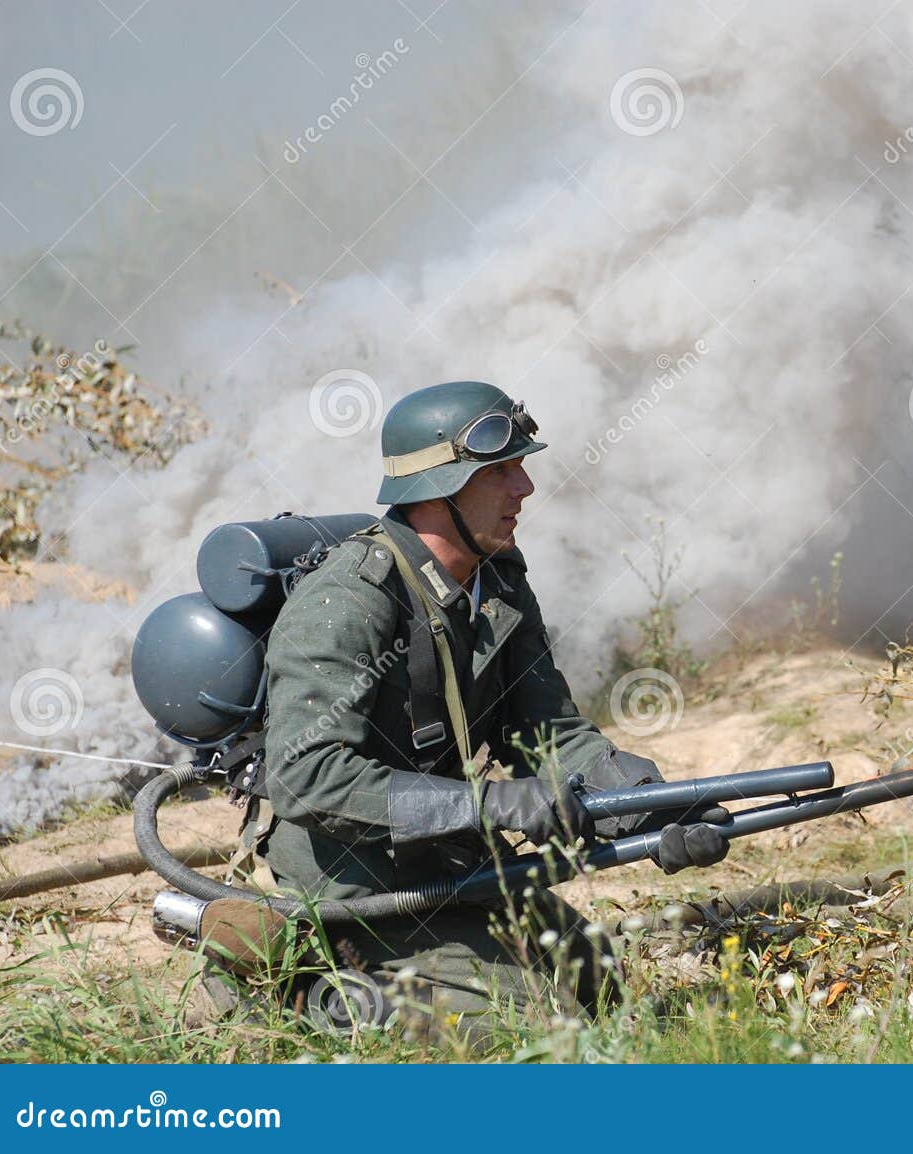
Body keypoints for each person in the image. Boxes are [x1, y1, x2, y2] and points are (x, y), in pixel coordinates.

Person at [247, 380, 727, 1036]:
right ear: (436, 490)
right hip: (351, 882)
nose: (524, 487)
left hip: (446, 856)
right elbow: (306, 777)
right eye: (500, 471)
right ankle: (311, 994)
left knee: (599, 982)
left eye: (519, 467)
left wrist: (648, 804)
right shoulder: (350, 599)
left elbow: (546, 731)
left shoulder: (496, 579)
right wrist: (491, 805)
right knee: (536, 1030)